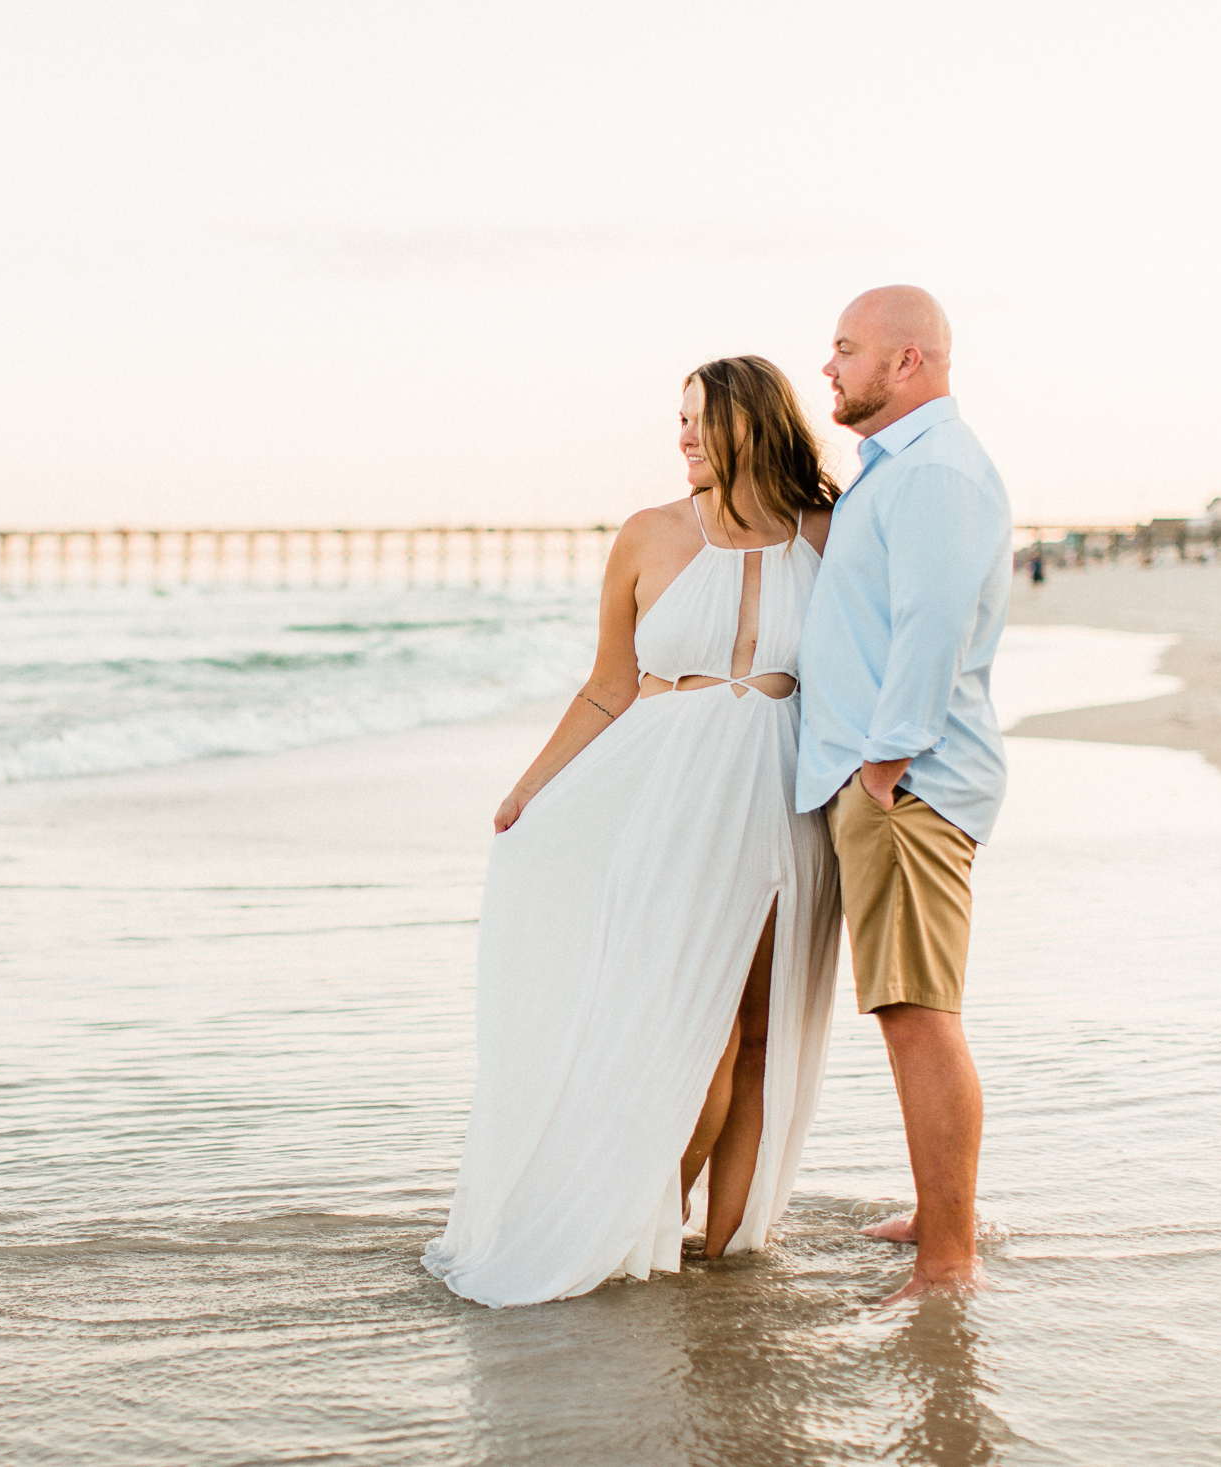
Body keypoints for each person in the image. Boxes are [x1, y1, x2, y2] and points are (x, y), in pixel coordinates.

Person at [423, 356, 842, 1307]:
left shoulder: (827, 532)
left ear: (755, 423)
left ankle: (729, 1262)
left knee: (764, 1032)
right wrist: (529, 789)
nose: (684, 435)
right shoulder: (649, 534)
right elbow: (609, 685)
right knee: (698, 1035)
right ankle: (637, 1223)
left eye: (702, 417)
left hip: (789, 798)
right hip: (668, 801)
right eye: (680, 417)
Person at [796, 286, 1013, 1303]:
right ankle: (938, 1218)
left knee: (917, 1013)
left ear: (908, 361)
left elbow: (935, 624)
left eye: (846, 349)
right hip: (890, 780)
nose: (828, 368)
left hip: (905, 787)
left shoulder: (933, 471)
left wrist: (884, 760)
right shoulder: (896, 470)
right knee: (909, 1009)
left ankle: (948, 1261)